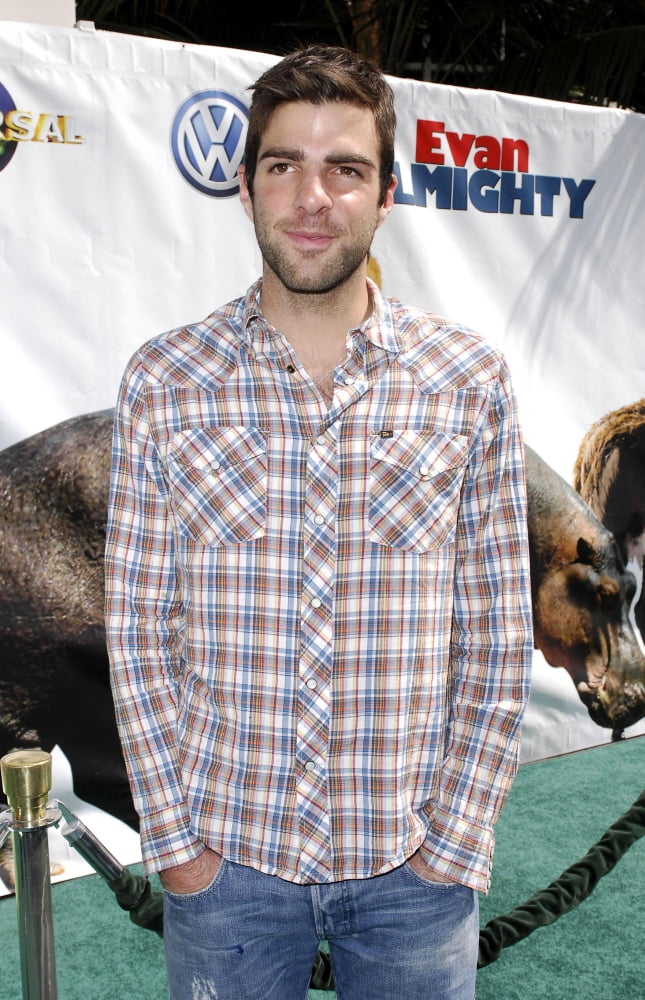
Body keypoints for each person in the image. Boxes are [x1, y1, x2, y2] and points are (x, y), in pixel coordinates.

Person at [105, 44, 533, 1000]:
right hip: (227, 872)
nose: (311, 196)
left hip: (413, 873)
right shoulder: (163, 382)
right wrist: (179, 848)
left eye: (345, 168)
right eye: (282, 164)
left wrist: (452, 844)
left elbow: (497, 636)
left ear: (385, 197)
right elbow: (137, 631)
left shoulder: (467, 382)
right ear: (246, 186)